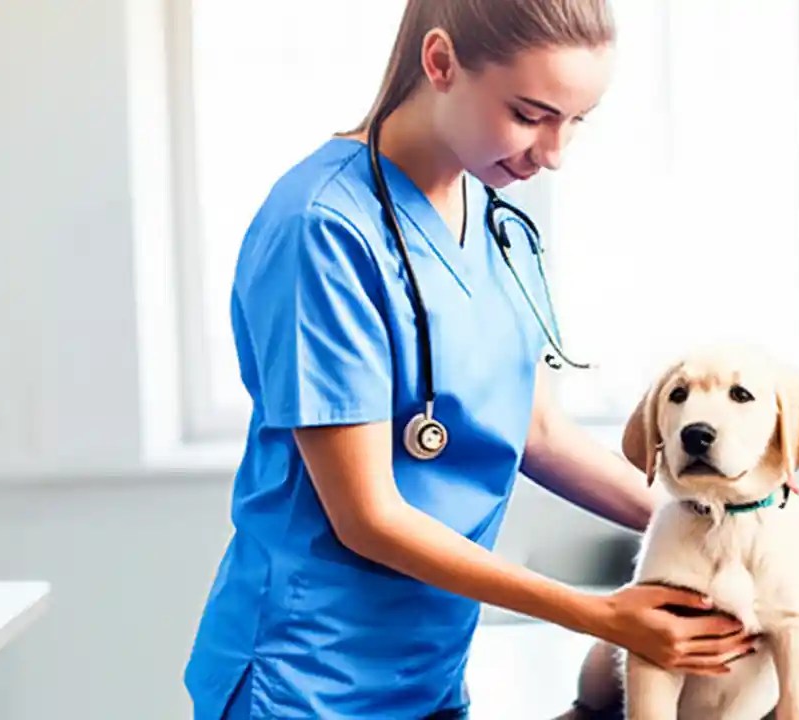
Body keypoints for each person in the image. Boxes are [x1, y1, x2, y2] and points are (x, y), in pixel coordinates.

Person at [181, 2, 757, 718]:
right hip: (307, 678)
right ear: (441, 63)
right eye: (529, 114)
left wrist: (729, 519)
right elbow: (368, 515)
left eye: (576, 121)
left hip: (429, 673)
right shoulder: (322, 230)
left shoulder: (493, 223)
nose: (552, 153)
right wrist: (600, 616)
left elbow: (539, 435)